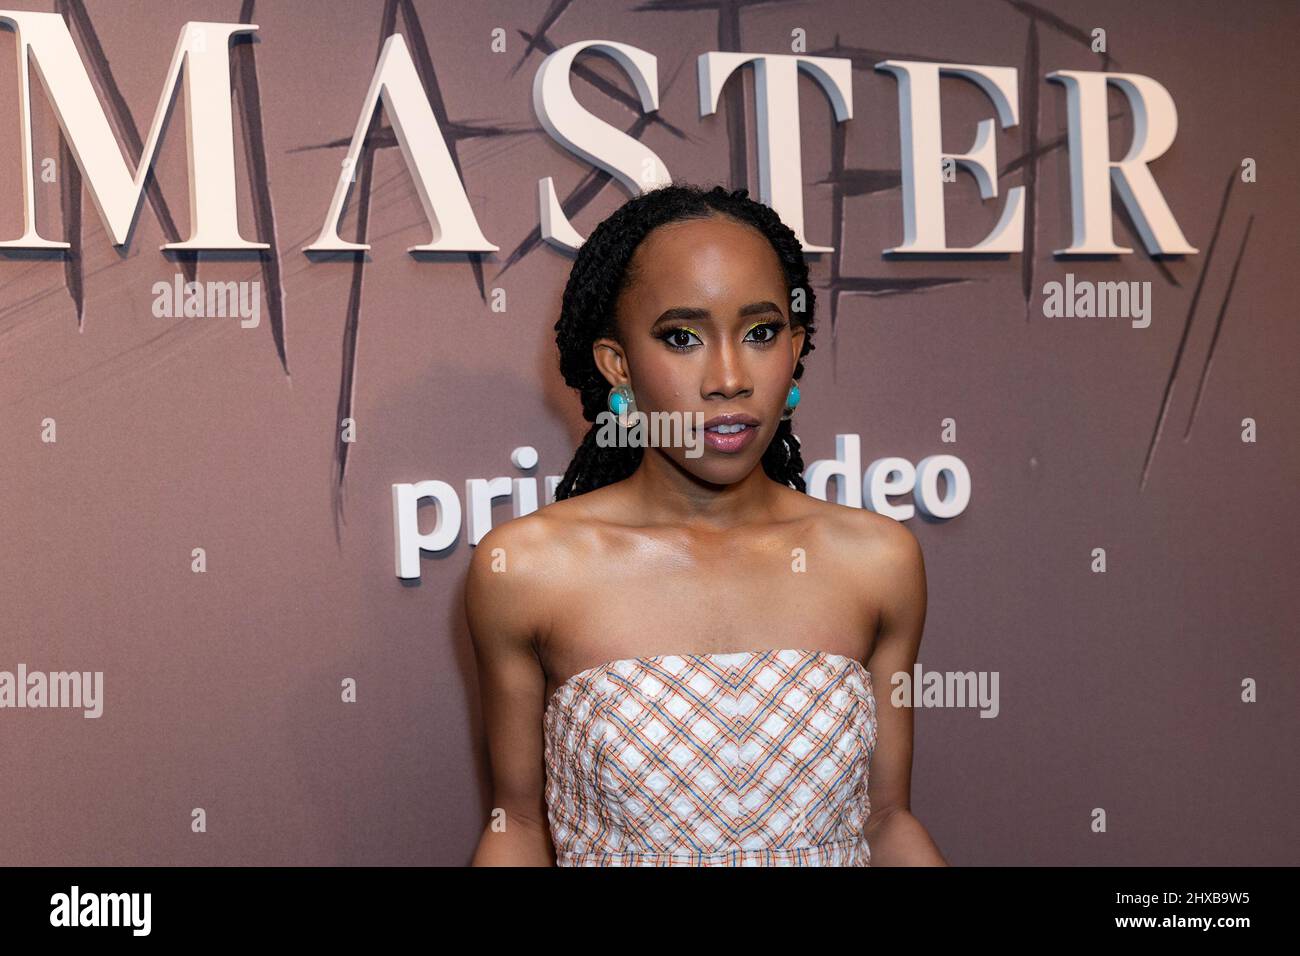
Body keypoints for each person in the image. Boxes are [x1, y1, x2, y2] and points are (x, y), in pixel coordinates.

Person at [467, 183, 946, 866]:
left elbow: (889, 820)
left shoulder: (877, 559)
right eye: (682, 337)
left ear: (796, 346)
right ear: (618, 365)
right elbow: (516, 824)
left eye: (760, 333)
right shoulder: (529, 569)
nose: (729, 377)